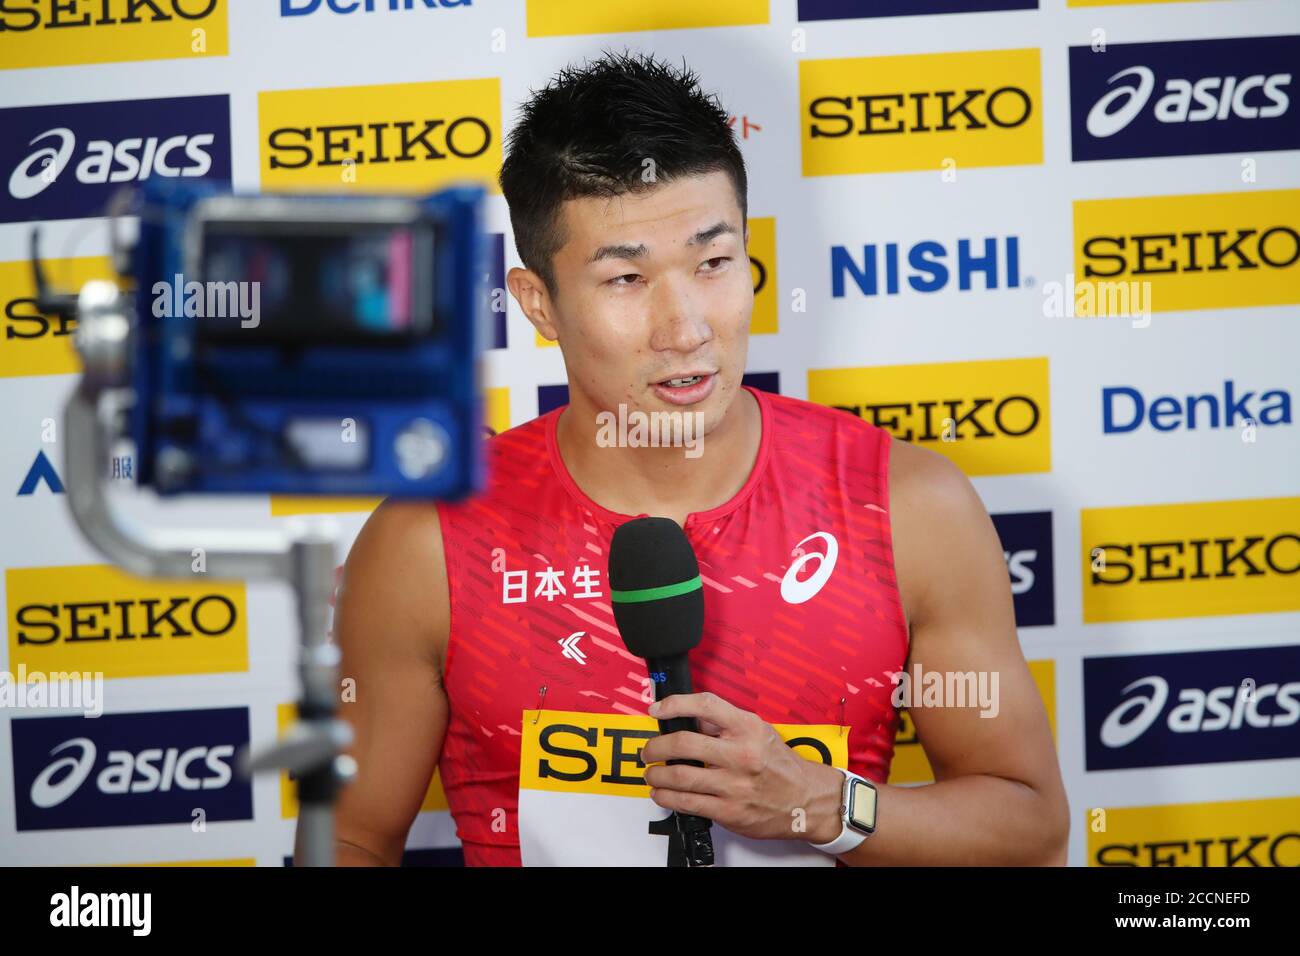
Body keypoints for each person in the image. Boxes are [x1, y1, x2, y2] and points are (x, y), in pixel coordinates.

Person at [308, 50, 1069, 867]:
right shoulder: (432, 540)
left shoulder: (910, 505)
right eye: (627, 278)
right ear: (539, 304)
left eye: (713, 263)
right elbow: (351, 839)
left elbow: (1030, 834)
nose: (685, 329)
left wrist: (824, 804)